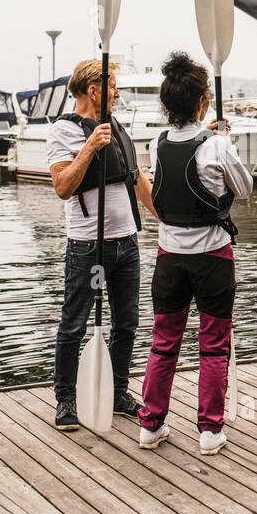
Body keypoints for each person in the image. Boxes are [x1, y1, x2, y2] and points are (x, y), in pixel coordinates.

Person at [136, 51, 253, 456]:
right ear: (203, 102)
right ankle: (209, 430)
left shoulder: (156, 142)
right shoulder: (218, 147)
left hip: (169, 259)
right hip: (212, 259)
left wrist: (214, 137)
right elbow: (244, 190)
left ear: (168, 107)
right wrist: (225, 142)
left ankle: (150, 425)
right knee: (213, 344)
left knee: (163, 342)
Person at [47, 59, 155, 431]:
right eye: (112, 86)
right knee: (74, 324)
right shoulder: (64, 131)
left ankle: (118, 390)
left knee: (127, 322)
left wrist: (171, 219)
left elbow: (138, 182)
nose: (118, 93)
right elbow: (63, 187)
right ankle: (65, 399)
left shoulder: (119, 129)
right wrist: (90, 147)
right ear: (93, 90)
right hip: (89, 250)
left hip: (127, 245)